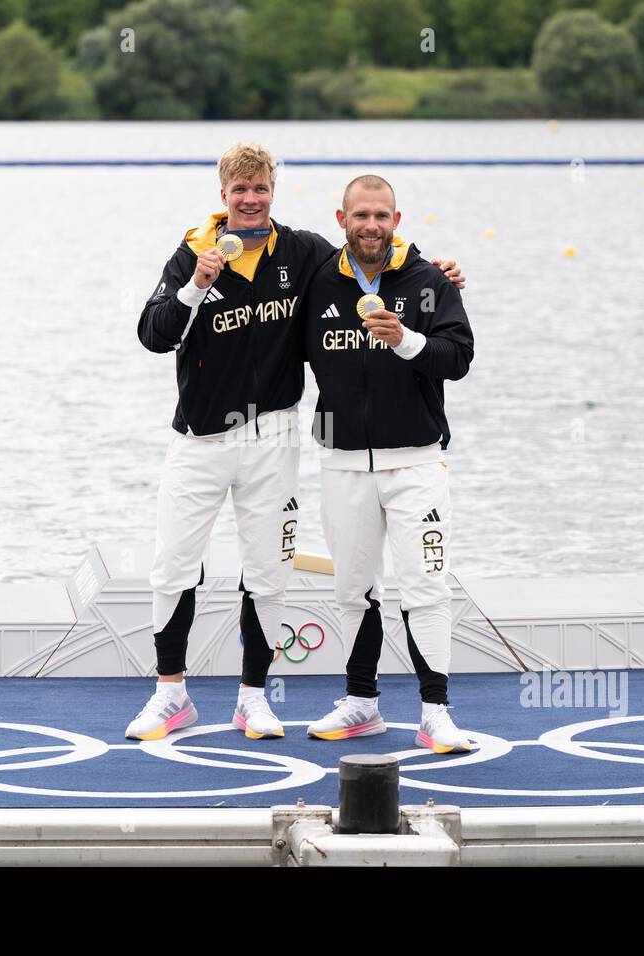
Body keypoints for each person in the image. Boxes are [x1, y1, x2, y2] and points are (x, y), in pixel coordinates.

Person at [128, 144, 464, 741]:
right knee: (171, 567)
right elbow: (153, 336)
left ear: (272, 193)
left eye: (260, 189)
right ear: (223, 197)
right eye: (239, 192)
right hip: (200, 436)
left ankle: (252, 698)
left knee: (268, 573)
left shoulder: (304, 252)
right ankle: (170, 693)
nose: (250, 200)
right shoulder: (193, 255)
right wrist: (194, 288)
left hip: (275, 435)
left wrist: (435, 276)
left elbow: (368, 263)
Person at [302, 174, 476, 754]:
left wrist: (405, 339)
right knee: (353, 590)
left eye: (382, 216)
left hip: (417, 464)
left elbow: (458, 358)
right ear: (342, 219)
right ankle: (361, 704)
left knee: (425, 589)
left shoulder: (428, 282)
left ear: (397, 221)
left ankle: (436, 711)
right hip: (342, 462)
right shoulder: (318, 281)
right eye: (361, 216)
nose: (371, 225)